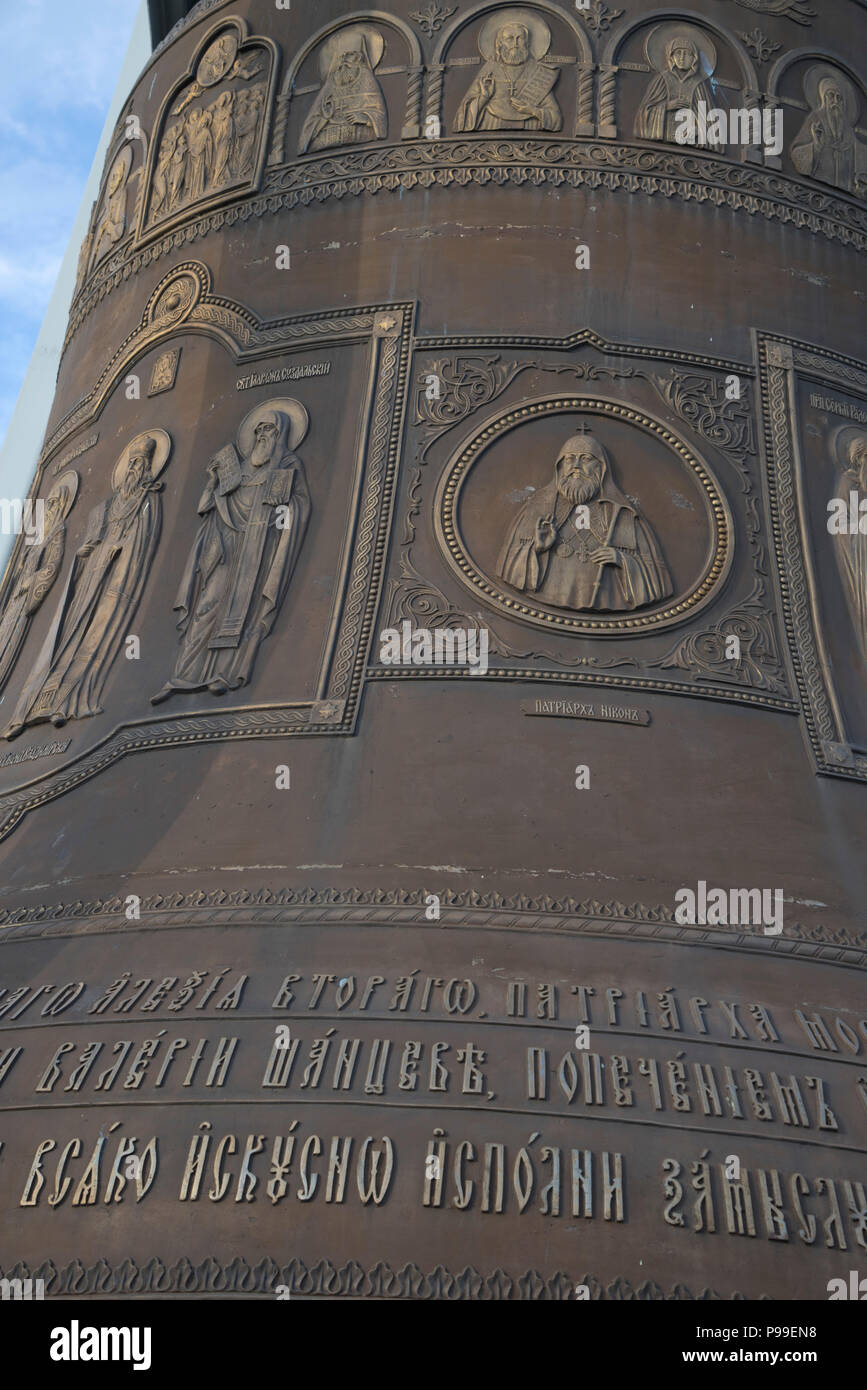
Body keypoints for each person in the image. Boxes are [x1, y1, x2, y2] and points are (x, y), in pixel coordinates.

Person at [151, 405, 311, 702]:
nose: (262, 435)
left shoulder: (288, 465)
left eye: (269, 430)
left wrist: (281, 511)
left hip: (259, 549)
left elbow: (299, 506)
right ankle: (183, 675)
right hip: (226, 546)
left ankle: (223, 674)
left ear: (280, 434)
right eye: (259, 430)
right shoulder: (239, 470)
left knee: (244, 612)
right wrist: (214, 481)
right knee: (207, 606)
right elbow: (209, 508)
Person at [498, 430, 672, 611]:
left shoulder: (621, 513)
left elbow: (654, 577)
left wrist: (621, 559)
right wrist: (536, 549)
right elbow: (510, 566)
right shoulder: (538, 507)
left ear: (601, 468)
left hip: (605, 599)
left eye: (586, 459)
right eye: (569, 459)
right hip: (545, 597)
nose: (576, 466)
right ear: (560, 467)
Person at [455, 20, 561, 133]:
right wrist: (484, 97)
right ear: (499, 44)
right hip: (491, 128)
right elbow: (462, 120)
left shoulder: (537, 72)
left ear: (527, 43)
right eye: (510, 39)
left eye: (520, 38)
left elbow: (556, 119)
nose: (515, 44)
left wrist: (533, 111)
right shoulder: (489, 70)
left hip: (530, 131)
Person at [299, 30, 387, 154]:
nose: (344, 60)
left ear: (359, 57)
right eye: (342, 56)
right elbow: (312, 122)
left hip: (360, 135)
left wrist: (366, 119)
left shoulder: (366, 77)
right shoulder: (332, 80)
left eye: (349, 55)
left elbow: (379, 114)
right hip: (329, 139)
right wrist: (325, 117)